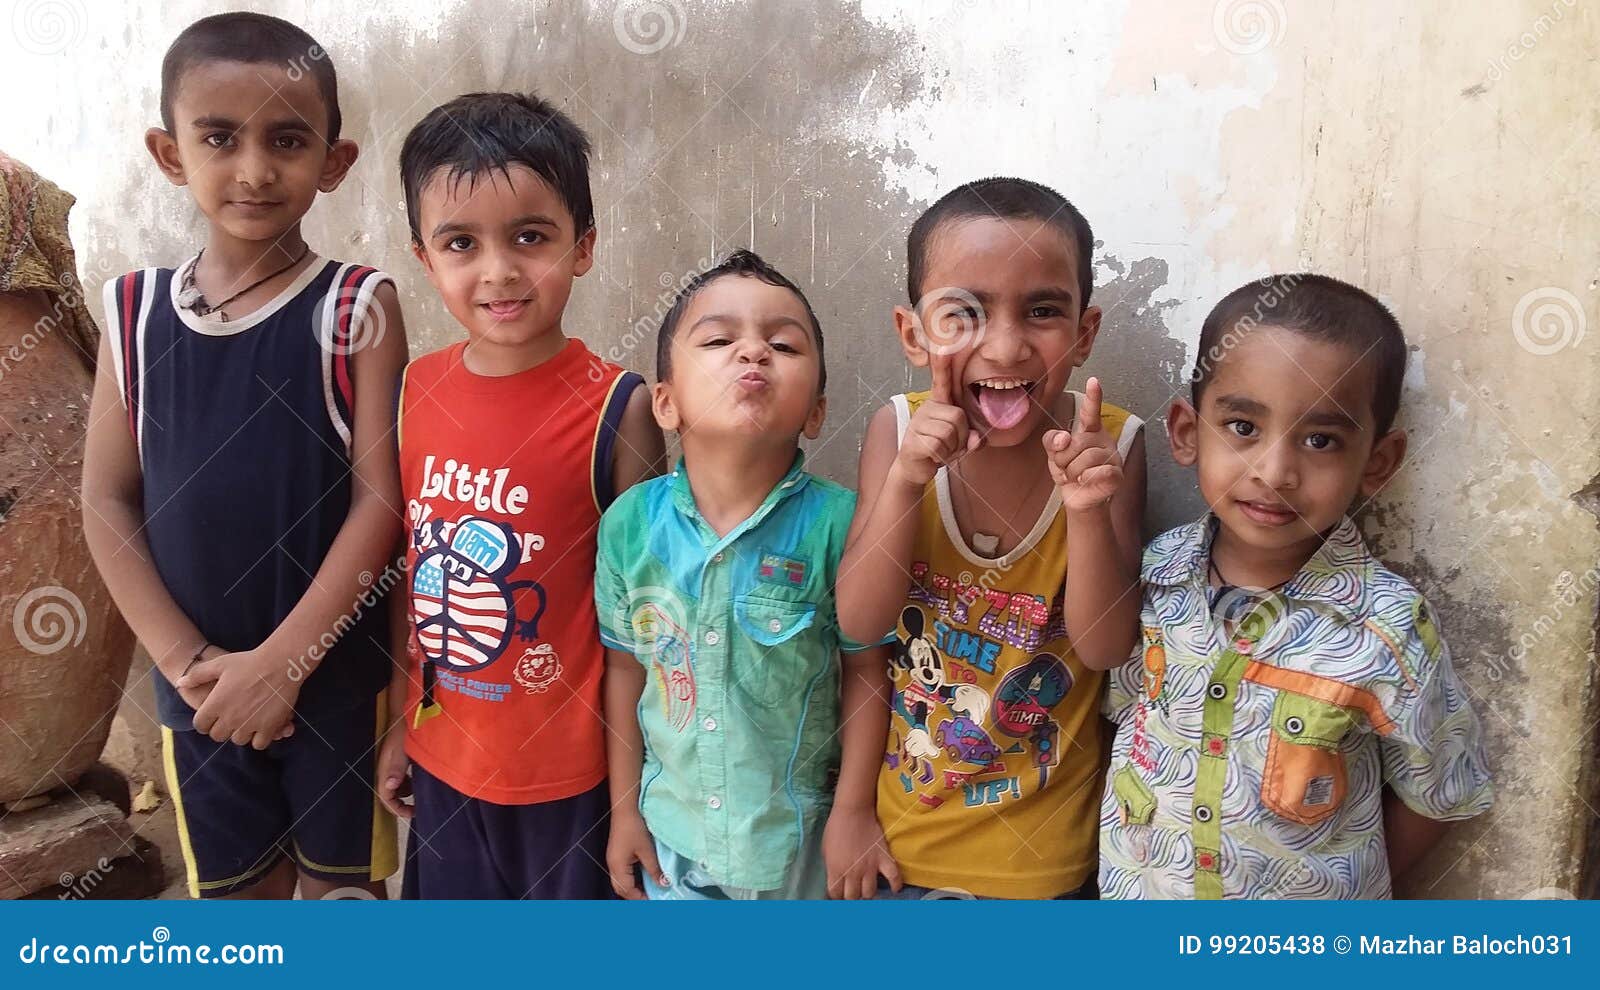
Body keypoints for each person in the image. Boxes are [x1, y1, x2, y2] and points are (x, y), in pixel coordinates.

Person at [81, 12, 407, 899]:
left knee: (344, 904)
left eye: (288, 140)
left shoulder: (357, 307)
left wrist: (284, 665)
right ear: (169, 153)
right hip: (202, 698)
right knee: (236, 915)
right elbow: (106, 500)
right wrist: (186, 665)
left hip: (337, 685)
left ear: (334, 161)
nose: (255, 170)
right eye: (219, 137)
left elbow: (382, 502)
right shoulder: (132, 313)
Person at [1099, 274, 1493, 899]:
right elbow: (1126, 718)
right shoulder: (1156, 576)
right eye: (1243, 427)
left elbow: (1440, 792)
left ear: (1378, 463)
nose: (1275, 471)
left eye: (1320, 440)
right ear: (1186, 432)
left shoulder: (1385, 627)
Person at [377, 91, 663, 899]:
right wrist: (399, 724)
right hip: (443, 760)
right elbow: (406, 576)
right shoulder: (413, 392)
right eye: (461, 243)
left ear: (583, 246)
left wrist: (632, 793)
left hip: (574, 781)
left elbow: (647, 618)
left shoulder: (620, 409)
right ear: (425, 257)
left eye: (530, 237)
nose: (499, 270)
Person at [837, 178, 1146, 898]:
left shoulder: (1115, 446)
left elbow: (1105, 647)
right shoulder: (894, 430)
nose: (1005, 347)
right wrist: (907, 480)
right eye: (964, 314)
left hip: (1045, 862)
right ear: (914, 334)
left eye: (1042, 311)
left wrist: (1087, 510)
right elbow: (860, 622)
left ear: (1084, 333)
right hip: (903, 846)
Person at [597, 249, 897, 900]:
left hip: (800, 851)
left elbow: (868, 670)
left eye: (783, 345)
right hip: (671, 842)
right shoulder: (629, 526)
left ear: (816, 412)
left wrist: (854, 811)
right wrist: (623, 813)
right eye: (718, 340)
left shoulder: (842, 524)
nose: (754, 352)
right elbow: (623, 671)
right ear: (666, 403)